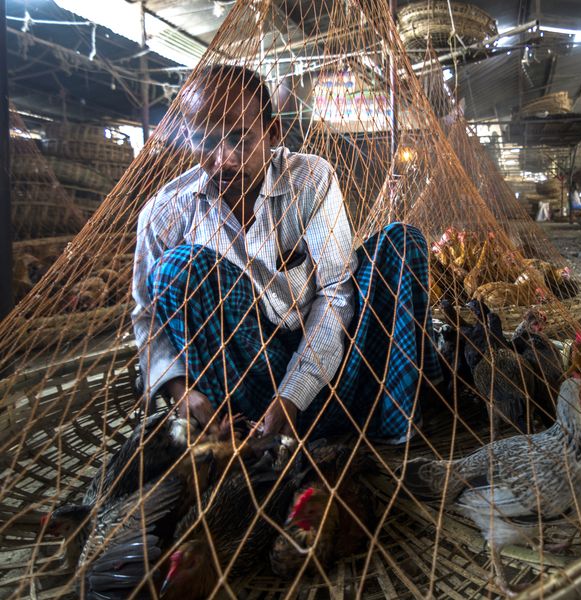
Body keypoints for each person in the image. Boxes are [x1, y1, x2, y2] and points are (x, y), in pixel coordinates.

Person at [132, 65, 441, 443]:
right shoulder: (165, 211)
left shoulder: (310, 179)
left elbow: (336, 292)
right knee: (177, 270)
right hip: (239, 383)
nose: (224, 159)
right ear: (186, 138)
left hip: (330, 366)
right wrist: (182, 392)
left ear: (273, 132)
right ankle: (244, 437)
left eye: (240, 139)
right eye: (205, 140)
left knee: (401, 242)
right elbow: (147, 316)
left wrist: (293, 395)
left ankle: (387, 424)